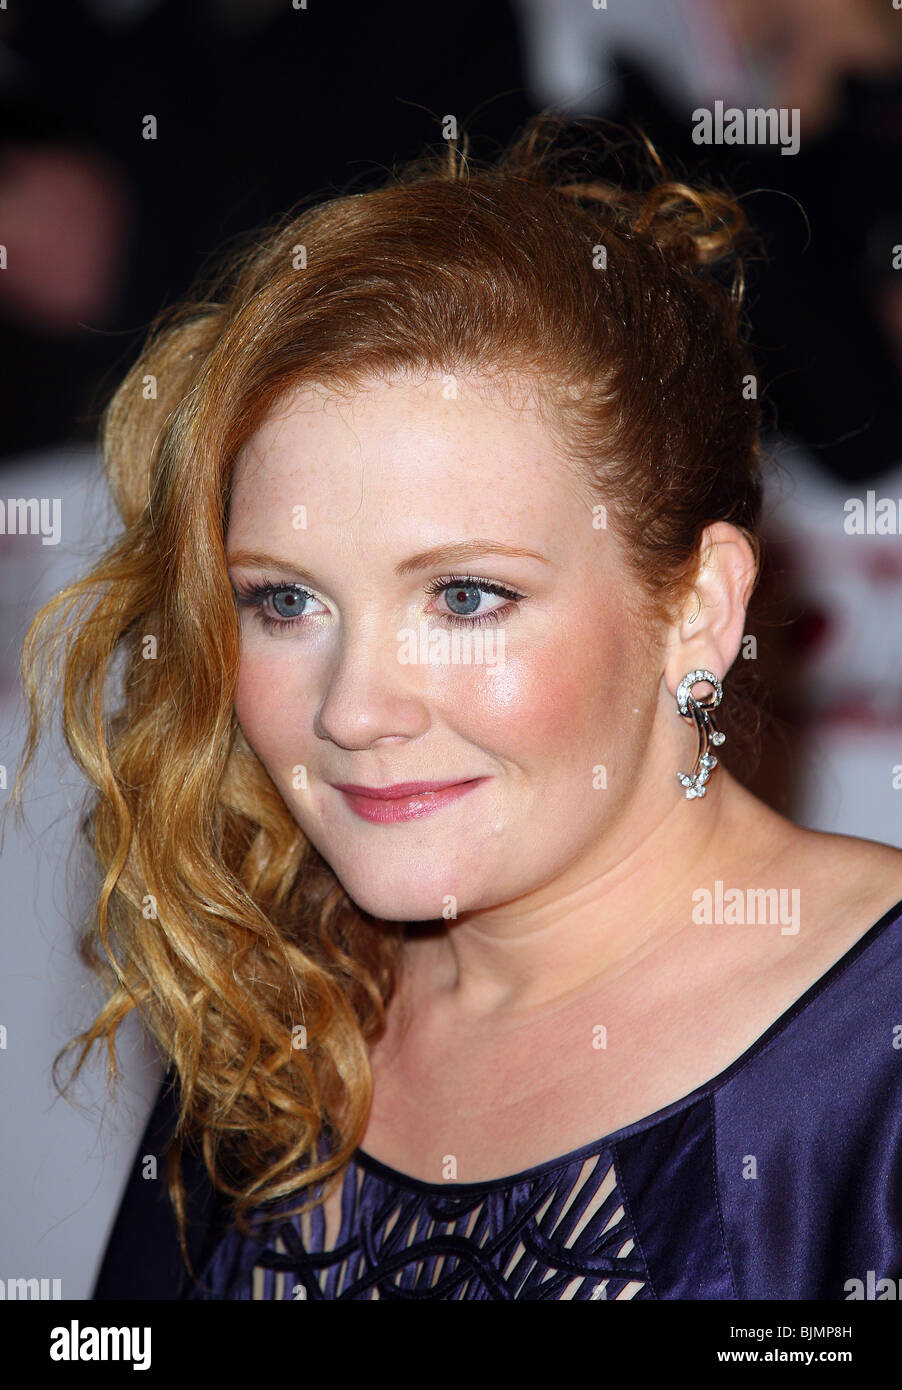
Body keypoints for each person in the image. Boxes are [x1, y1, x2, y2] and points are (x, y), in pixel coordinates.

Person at [15, 113, 902, 1301]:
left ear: (695, 609)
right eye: (283, 601)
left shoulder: (873, 1058)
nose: (354, 710)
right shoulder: (270, 1010)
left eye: (466, 594)